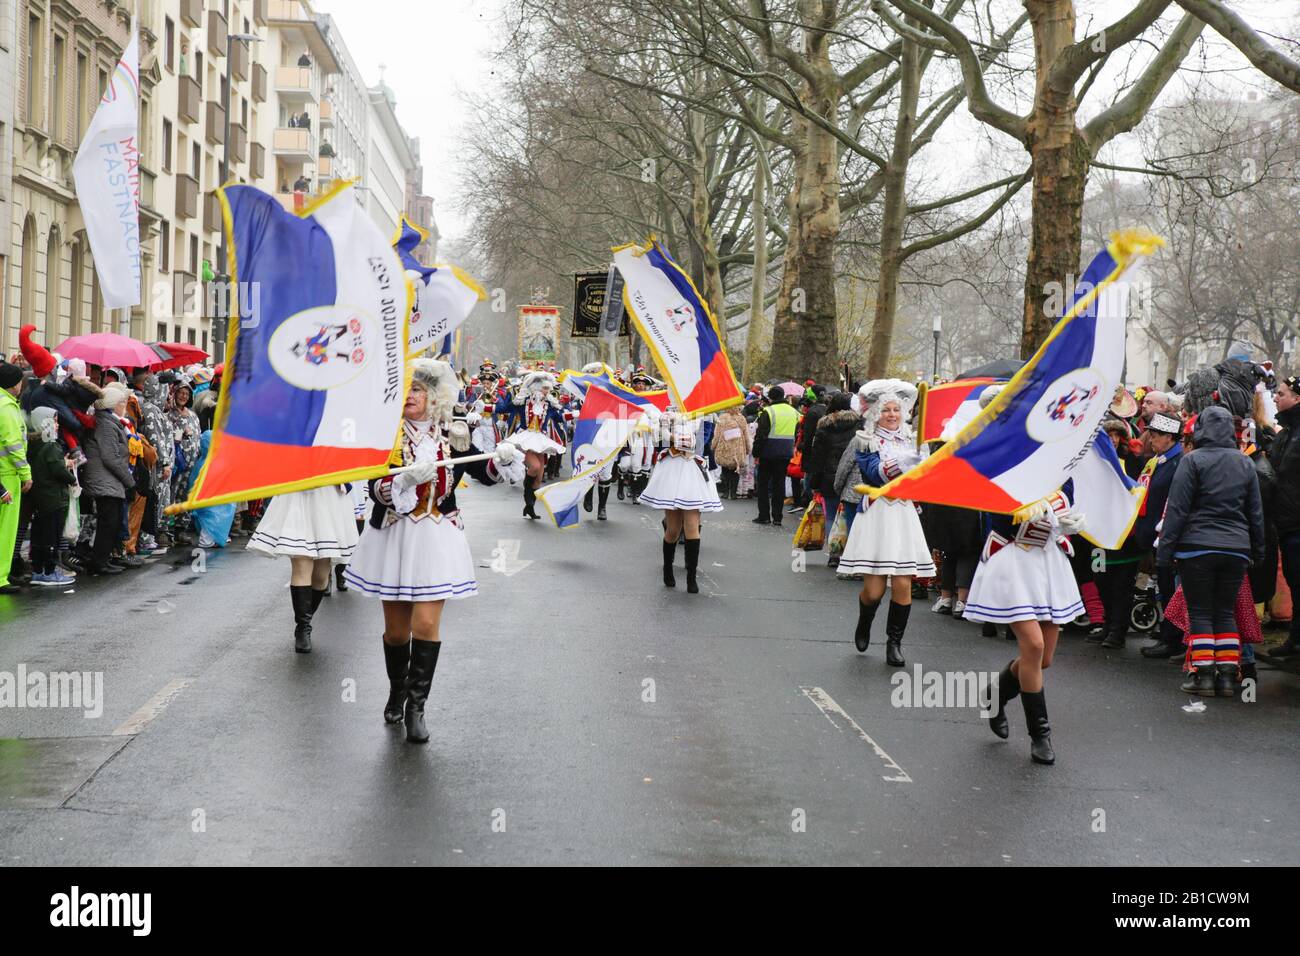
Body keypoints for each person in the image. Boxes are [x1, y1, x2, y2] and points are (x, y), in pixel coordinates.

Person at [345, 359, 522, 743]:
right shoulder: (386, 437)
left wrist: (502, 459)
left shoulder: (451, 435)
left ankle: (416, 707)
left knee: (425, 624)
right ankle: (396, 689)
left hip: (438, 537)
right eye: (406, 389)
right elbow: (374, 487)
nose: (410, 396)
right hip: (393, 536)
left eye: (418, 389)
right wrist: (403, 480)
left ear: (433, 396)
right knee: (395, 632)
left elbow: (481, 473)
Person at [965, 485, 1087, 765]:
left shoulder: (1062, 465)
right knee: (1033, 646)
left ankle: (995, 693)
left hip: (1048, 563)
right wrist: (1020, 509)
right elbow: (995, 516)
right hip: (1013, 559)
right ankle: (1040, 736)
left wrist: (1066, 522)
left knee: (1043, 659)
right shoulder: (1009, 461)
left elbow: (1066, 499)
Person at [1158, 406, 1265, 696]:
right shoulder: (1244, 464)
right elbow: (1255, 512)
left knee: (1201, 613)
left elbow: (1177, 511)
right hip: (1236, 548)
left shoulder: (1193, 461)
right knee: (1225, 613)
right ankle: (1229, 677)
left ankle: (1204, 676)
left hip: (1197, 548)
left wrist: (1165, 553)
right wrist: (1258, 549)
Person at [839, 380, 934, 666]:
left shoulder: (915, 441)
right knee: (874, 590)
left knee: (903, 584)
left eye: (896, 409)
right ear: (876, 414)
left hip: (904, 514)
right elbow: (873, 475)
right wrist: (905, 463)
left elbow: (925, 482)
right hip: (878, 513)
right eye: (886, 410)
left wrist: (923, 465)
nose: (892, 414)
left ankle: (894, 643)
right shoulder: (865, 440)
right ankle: (865, 619)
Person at [249, 484, 361, 654]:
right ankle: (303, 627)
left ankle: (306, 619)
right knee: (302, 566)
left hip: (329, 497)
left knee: (321, 576)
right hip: (298, 496)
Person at [639, 408, 722, 594]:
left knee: (692, 524)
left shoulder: (703, 413)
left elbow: (704, 440)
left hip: (692, 469)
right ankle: (667, 568)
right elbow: (657, 442)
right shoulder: (666, 414)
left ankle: (691, 577)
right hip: (672, 470)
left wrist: (688, 440)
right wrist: (667, 433)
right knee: (673, 529)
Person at [1134, 413, 1187, 660]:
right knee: (1163, 587)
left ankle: (1172, 638)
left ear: (1168, 437)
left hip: (1166, 536)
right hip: (1155, 534)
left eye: (1154, 436)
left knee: (1169, 588)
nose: (1150, 439)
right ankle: (1168, 632)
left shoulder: (1177, 463)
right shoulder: (1160, 460)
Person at [79, 382, 134, 576]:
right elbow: (111, 457)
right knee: (108, 521)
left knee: (111, 521)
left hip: (108, 479)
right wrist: (129, 481)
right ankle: (99, 562)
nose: (124, 405)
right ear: (113, 404)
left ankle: (103, 559)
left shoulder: (108, 421)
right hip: (104, 479)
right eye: (121, 402)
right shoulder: (106, 424)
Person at [497, 370, 566, 520]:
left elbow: (560, 418)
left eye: (548, 388)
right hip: (525, 437)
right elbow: (503, 409)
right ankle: (527, 499)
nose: (547, 391)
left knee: (539, 476)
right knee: (534, 467)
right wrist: (487, 405)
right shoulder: (523, 401)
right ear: (535, 388)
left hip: (540, 439)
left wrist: (574, 414)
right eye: (544, 388)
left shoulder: (548, 404)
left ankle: (530, 507)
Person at [1265, 375, 1300, 659]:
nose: (1275, 397)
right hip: (1287, 522)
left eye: (1281, 392)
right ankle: (1296, 640)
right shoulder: (1287, 431)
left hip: (1297, 521)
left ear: (1297, 398)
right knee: (1293, 579)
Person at [25, 407, 77, 587]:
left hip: (38, 497)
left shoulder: (32, 444)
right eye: (53, 421)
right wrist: (72, 479)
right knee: (52, 535)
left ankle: (38, 570)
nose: (56, 425)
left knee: (39, 535)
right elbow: (57, 470)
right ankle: (49, 571)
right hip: (53, 497)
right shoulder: (51, 445)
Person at [807, 393, 859, 556]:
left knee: (830, 515)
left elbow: (817, 457)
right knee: (853, 517)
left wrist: (814, 483)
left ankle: (834, 553)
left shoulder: (824, 426)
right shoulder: (860, 425)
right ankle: (851, 553)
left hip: (829, 476)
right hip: (853, 479)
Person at [0, 363, 32, 593]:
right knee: (6, 530)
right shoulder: (7, 407)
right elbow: (13, 445)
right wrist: (26, 474)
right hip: (8, 475)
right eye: (20, 381)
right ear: (13, 383)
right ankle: (1, 577)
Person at [751, 386, 798, 527]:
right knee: (779, 484)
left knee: (763, 484)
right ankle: (778, 517)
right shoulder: (794, 412)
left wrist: (756, 453)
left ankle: (764, 515)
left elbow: (761, 435)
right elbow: (796, 431)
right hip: (785, 452)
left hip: (768, 452)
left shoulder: (768, 411)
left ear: (770, 397)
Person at [711, 404, 751, 500]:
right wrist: (748, 448)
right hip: (738, 447)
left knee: (725, 469)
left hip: (724, 446)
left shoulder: (722, 418)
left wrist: (713, 446)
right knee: (736, 470)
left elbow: (717, 434)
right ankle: (733, 493)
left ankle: (725, 492)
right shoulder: (741, 418)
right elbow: (746, 434)